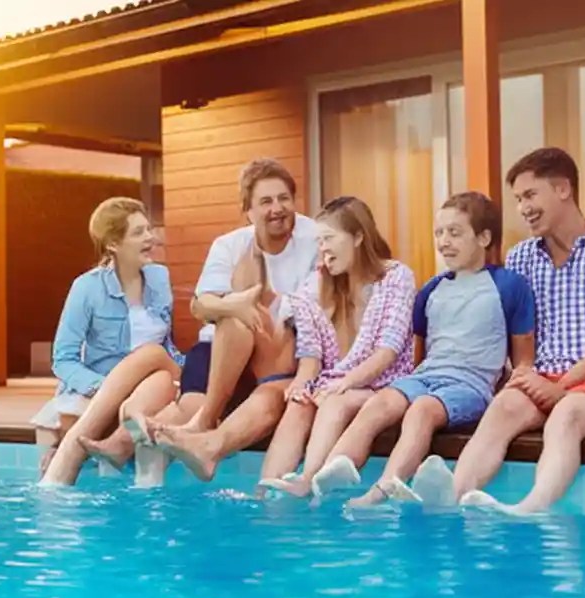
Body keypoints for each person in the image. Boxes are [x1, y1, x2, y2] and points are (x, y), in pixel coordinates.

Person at [418, 147, 585, 514]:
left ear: (563, 189)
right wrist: (519, 374)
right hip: (540, 377)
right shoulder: (522, 257)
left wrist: (563, 384)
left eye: (529, 195)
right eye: (518, 199)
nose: (523, 208)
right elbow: (513, 330)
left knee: (566, 415)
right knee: (501, 409)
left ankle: (532, 507)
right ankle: (453, 500)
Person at [83, 158, 321, 482]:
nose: (277, 208)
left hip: (280, 350)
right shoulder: (230, 245)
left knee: (208, 401)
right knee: (215, 357)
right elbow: (200, 305)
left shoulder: (315, 239)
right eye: (266, 201)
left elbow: (312, 311)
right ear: (247, 210)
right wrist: (233, 304)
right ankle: (137, 445)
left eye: (284, 199)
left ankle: (130, 442)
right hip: (224, 349)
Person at [305, 191, 536, 506]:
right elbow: (420, 355)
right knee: (379, 404)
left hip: (469, 384)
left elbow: (524, 357)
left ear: (483, 238)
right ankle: (334, 469)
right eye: (439, 233)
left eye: (455, 233)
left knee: (422, 410)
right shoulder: (431, 290)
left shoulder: (509, 285)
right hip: (426, 375)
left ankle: (384, 489)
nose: (444, 241)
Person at [252, 196, 416, 498]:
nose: (323, 248)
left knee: (333, 402)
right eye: (319, 241)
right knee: (300, 402)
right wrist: (303, 384)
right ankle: (264, 493)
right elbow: (311, 355)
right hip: (339, 383)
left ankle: (309, 479)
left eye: (328, 238)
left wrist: (343, 384)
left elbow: (388, 351)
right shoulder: (322, 287)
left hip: (385, 384)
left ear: (357, 236)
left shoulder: (396, 277)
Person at [36, 197, 184, 487]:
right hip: (114, 384)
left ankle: (77, 459)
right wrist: (104, 387)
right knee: (160, 378)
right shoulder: (87, 288)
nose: (150, 238)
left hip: (155, 373)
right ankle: (140, 490)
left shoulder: (159, 277)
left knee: (155, 357)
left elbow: (168, 345)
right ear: (114, 244)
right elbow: (63, 358)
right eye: (139, 233)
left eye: (149, 230)